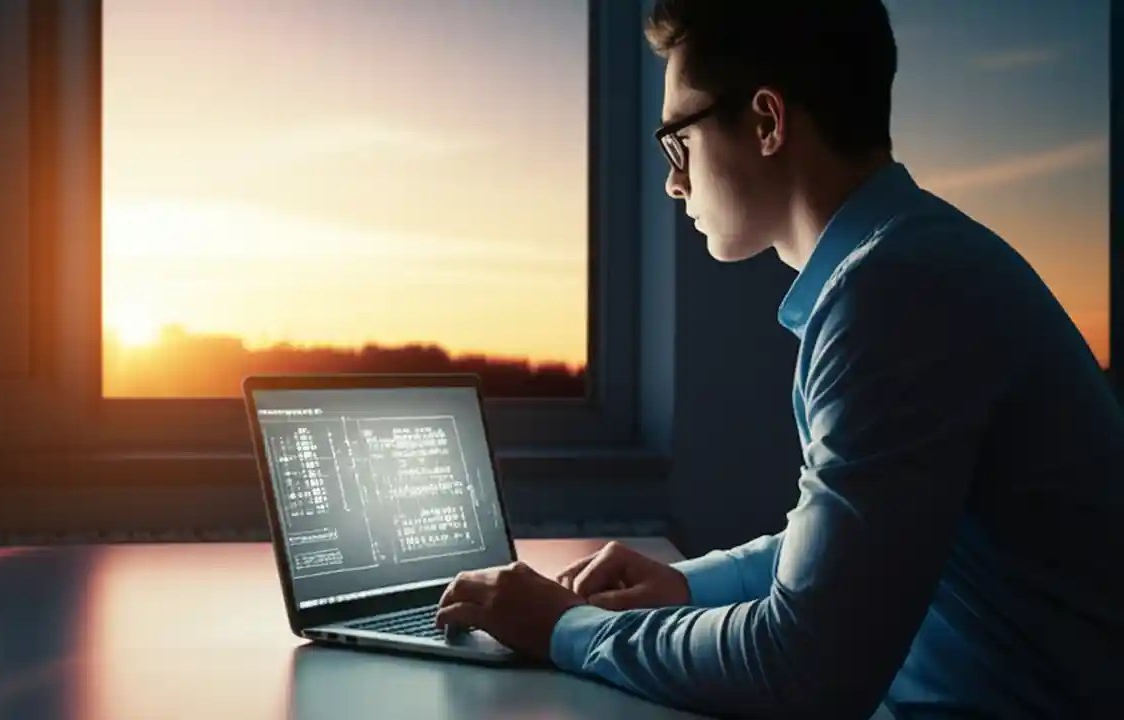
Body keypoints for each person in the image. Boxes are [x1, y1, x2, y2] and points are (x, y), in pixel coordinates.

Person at [434, 1, 1124, 717]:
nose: (674, 182)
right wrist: (687, 586)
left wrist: (564, 629)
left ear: (766, 122)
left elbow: (802, 669)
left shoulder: (894, 296)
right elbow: (859, 553)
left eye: (678, 142)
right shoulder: (917, 262)